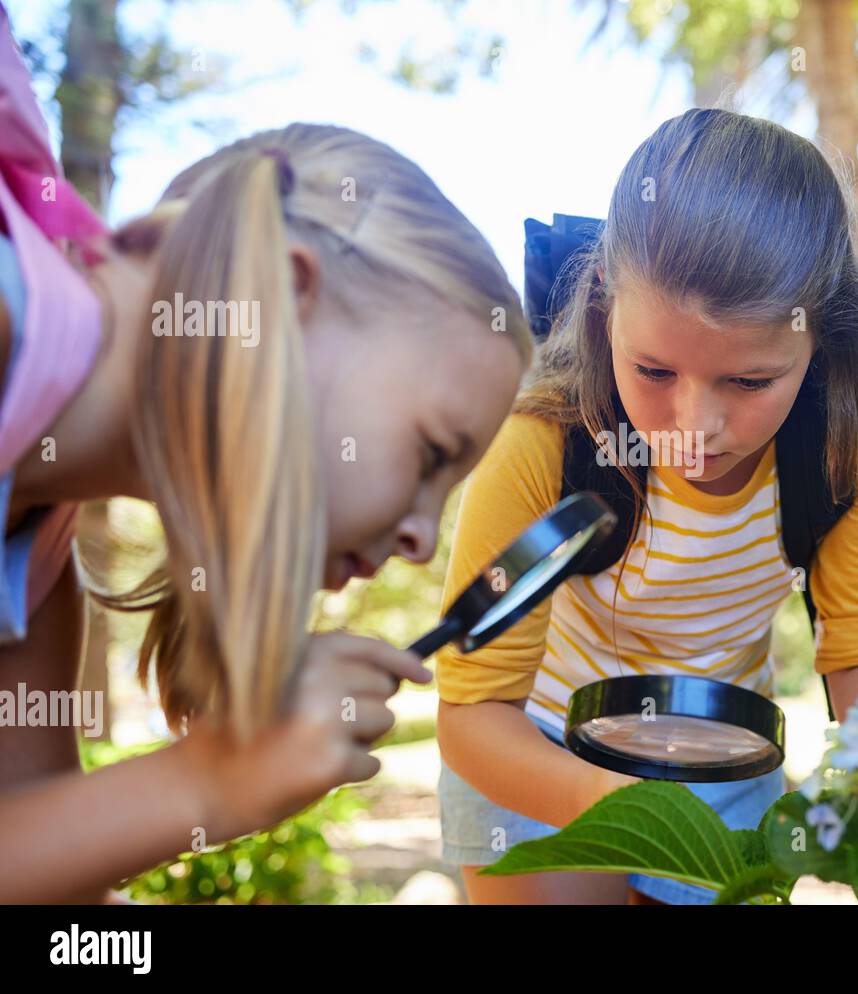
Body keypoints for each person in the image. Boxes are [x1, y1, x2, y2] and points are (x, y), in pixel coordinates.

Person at [0, 3, 531, 903]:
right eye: (432, 454)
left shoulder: (38, 565)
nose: (421, 542)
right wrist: (203, 784)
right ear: (283, 298)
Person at [435, 108, 858, 905]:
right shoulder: (542, 442)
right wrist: (632, 813)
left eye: (750, 380)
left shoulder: (857, 436)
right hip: (535, 748)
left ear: (822, 339)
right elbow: (473, 713)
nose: (695, 427)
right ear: (604, 307)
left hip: (725, 751)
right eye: (654, 371)